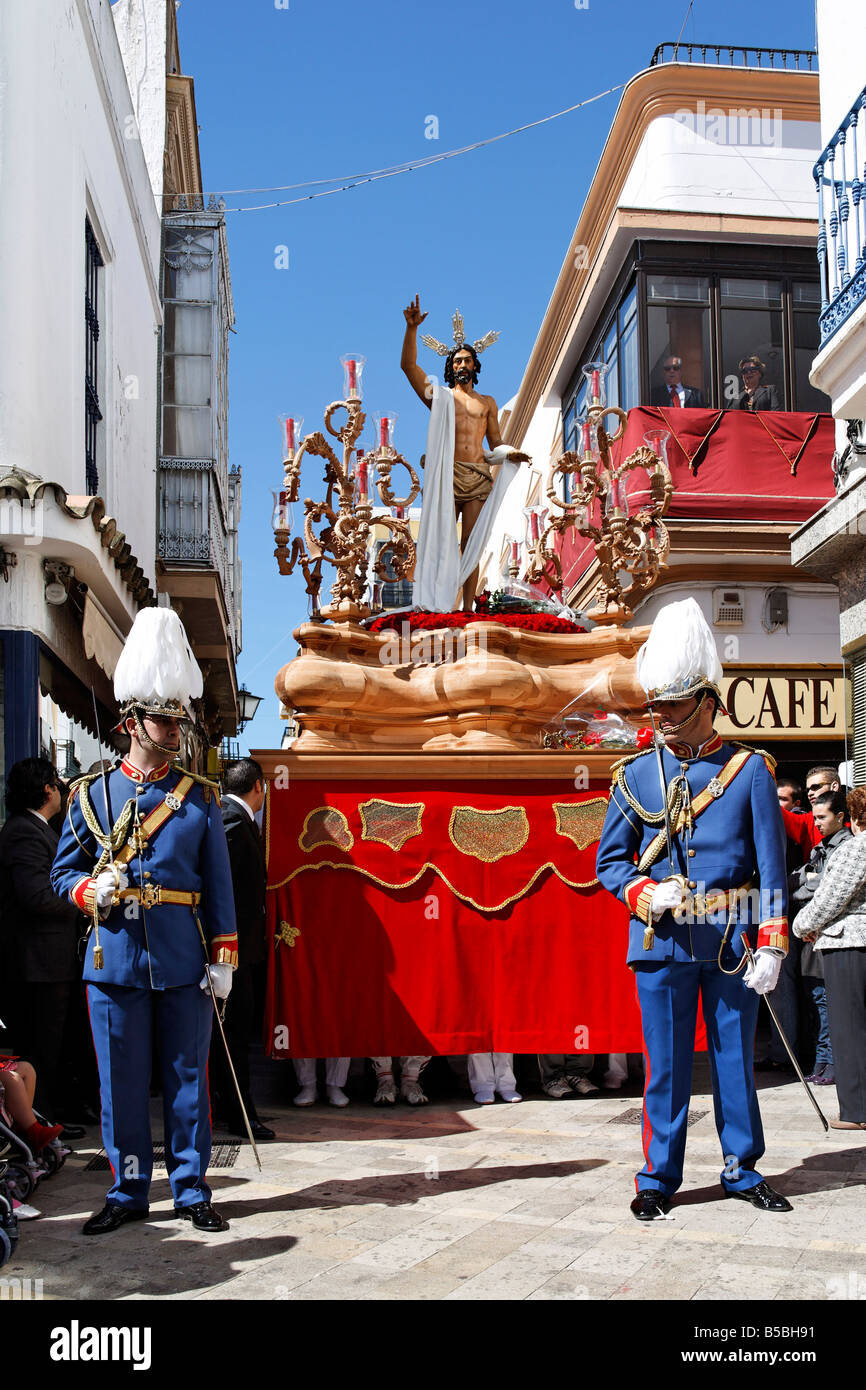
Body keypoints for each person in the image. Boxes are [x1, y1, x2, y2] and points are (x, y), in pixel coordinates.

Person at [596, 597, 792, 1220]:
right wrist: (643, 892)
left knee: (735, 1061)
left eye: (674, 705)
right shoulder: (634, 776)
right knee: (667, 1067)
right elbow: (609, 863)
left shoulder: (750, 771)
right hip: (661, 940)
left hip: (731, 941)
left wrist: (772, 942)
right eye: (656, 705)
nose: (662, 716)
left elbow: (770, 867)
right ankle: (657, 1175)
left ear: (708, 702)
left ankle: (742, 1168)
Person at [51, 607, 238, 1235]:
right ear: (133, 723)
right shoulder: (89, 795)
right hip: (113, 960)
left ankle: (190, 1189)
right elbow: (58, 875)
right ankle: (129, 1191)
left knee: (189, 1083)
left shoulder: (200, 799)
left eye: (178, 719)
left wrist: (223, 956)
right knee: (121, 1087)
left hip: (184, 959)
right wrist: (87, 887)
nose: (175, 730)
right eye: (164, 720)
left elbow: (218, 887)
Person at [401, 296, 530, 612]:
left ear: (475, 365)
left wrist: (509, 454)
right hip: (447, 476)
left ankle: (468, 608)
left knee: (470, 545)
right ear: (450, 367)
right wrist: (411, 329)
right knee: (443, 544)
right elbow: (408, 367)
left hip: (476, 476)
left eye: (466, 361)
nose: (461, 365)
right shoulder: (440, 398)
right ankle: (439, 603)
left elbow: (495, 442)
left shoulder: (487, 402)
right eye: (457, 361)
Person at [0, 758, 90, 1137]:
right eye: (57, 782)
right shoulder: (24, 832)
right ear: (47, 790)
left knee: (52, 1044)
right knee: (39, 1045)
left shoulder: (39, 830)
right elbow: (37, 895)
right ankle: (39, 1119)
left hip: (48, 962)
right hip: (35, 964)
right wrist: (82, 898)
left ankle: (49, 1113)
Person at [209, 758, 275, 1142]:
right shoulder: (233, 821)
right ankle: (239, 1114)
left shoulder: (233, 816)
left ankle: (234, 1108)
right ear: (258, 787)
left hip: (241, 949)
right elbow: (227, 894)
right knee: (233, 1037)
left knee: (234, 1035)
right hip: (232, 951)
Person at [793, 787, 866, 1129]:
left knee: (848, 1028)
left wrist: (802, 925)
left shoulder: (857, 848)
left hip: (850, 944)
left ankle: (857, 1110)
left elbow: (829, 898)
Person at [791, 790, 850, 1086]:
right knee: (817, 1004)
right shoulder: (820, 848)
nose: (817, 824)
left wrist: (809, 882)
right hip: (813, 936)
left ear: (841, 817)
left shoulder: (847, 848)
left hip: (831, 936)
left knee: (829, 1006)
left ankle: (833, 1064)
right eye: (814, 818)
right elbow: (797, 883)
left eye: (822, 817)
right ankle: (823, 1062)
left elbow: (825, 891)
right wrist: (808, 880)